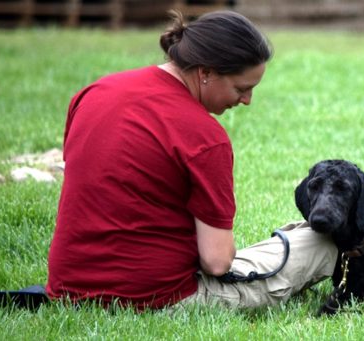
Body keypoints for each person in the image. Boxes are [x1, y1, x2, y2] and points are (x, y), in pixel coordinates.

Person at [46, 10, 337, 310]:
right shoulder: (205, 137)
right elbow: (217, 262)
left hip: (68, 287)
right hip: (156, 296)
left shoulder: (94, 92)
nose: (247, 101)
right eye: (242, 88)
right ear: (206, 72)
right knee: (322, 242)